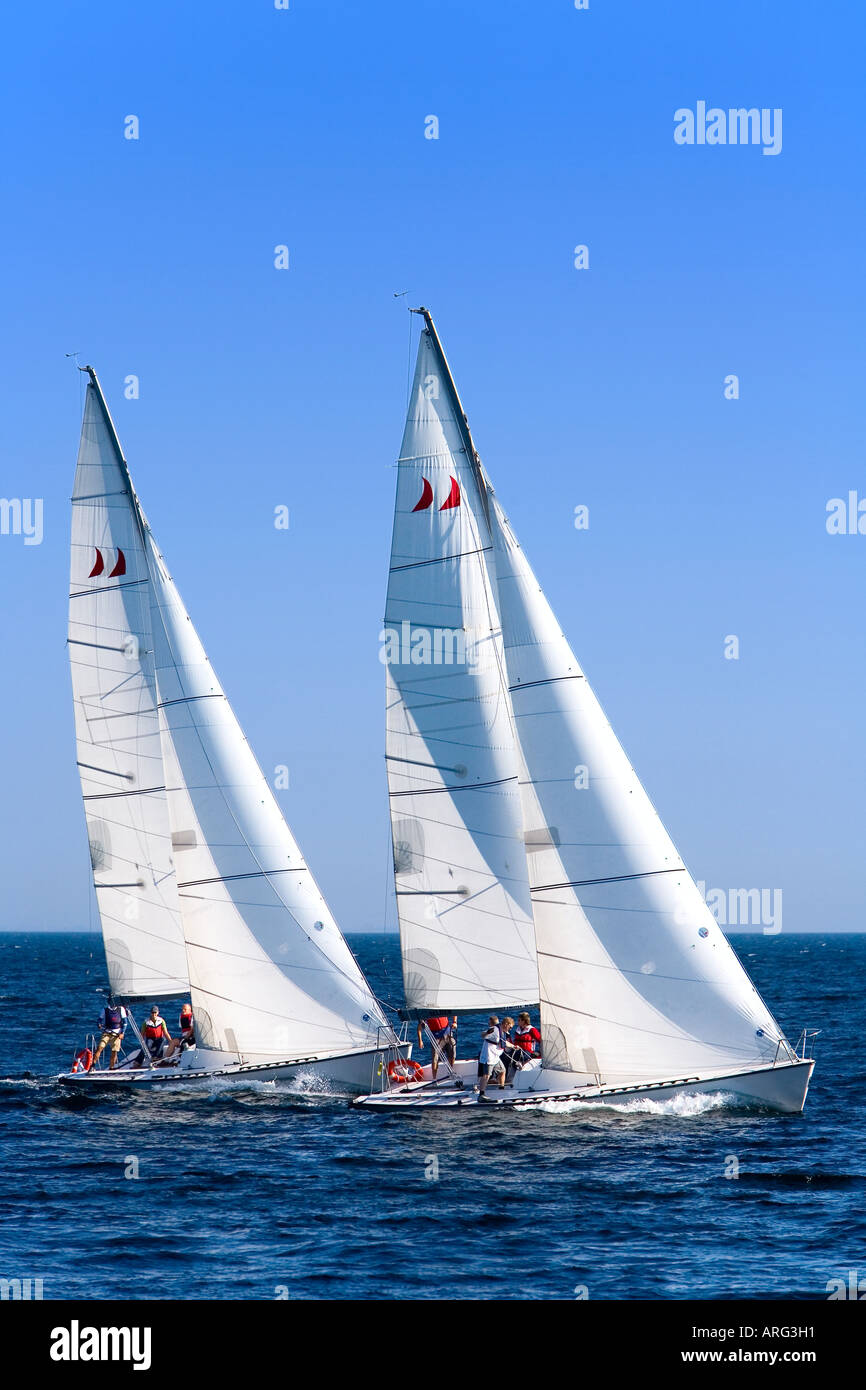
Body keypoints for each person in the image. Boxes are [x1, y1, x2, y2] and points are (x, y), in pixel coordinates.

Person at [92, 1000, 129, 1070]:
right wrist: (99, 1024)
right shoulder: (104, 1010)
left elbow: (125, 1023)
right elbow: (99, 1020)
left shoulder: (121, 1009)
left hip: (117, 1034)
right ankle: (93, 1065)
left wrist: (122, 1033)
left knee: (114, 1051)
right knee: (99, 1048)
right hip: (106, 1033)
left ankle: (111, 1068)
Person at [476, 1016, 505, 1101]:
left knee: (502, 1070)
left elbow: (503, 1042)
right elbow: (483, 1034)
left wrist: (513, 1046)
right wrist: (487, 1032)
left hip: (495, 1057)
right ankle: (481, 1095)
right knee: (486, 1075)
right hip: (489, 1057)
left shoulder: (499, 1030)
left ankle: (501, 1089)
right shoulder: (493, 1030)